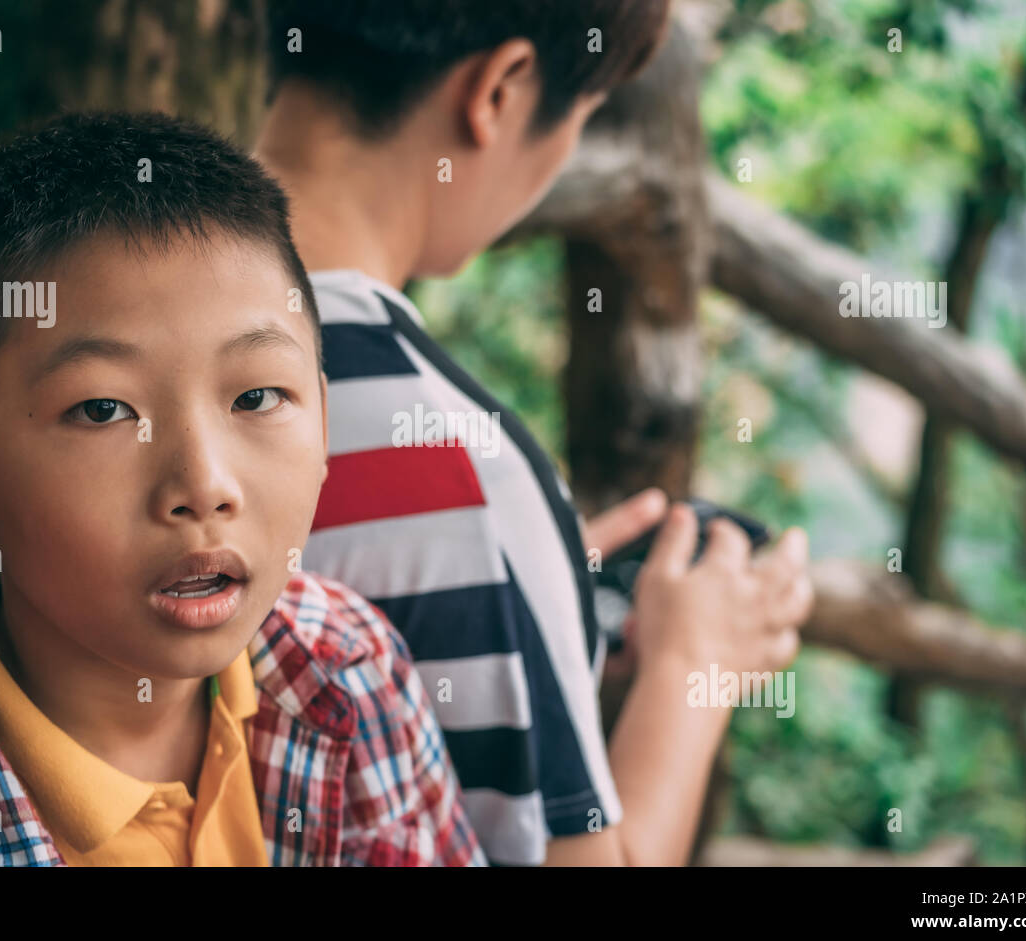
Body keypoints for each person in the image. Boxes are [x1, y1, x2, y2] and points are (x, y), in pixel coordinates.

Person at [0, 112, 483, 867]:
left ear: (323, 419)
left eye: (256, 398)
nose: (204, 486)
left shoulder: (351, 670)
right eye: (102, 410)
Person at [254, 1, 815, 865]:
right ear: (501, 90)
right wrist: (693, 668)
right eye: (585, 115)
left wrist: (527, 609)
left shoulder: (84, 334)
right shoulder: (466, 476)